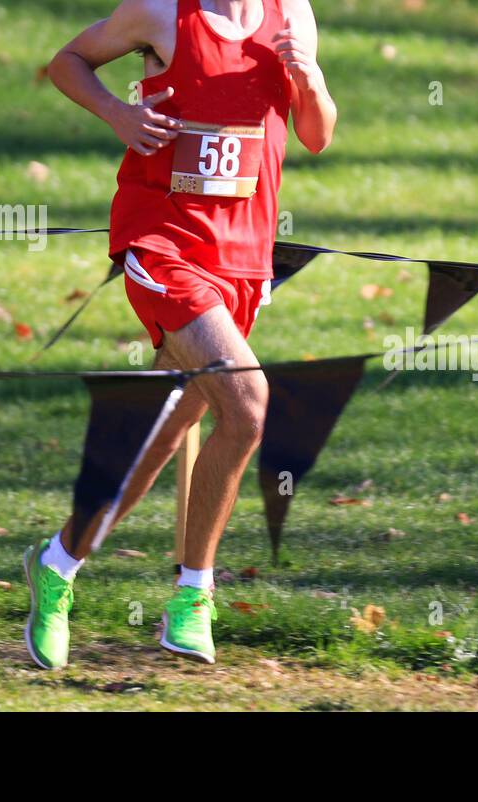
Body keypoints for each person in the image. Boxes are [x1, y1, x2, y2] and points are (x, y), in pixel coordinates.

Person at [23, 0, 336, 669]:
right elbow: (66, 61)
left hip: (245, 263)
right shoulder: (162, 12)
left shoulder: (291, 15)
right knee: (248, 405)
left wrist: (309, 83)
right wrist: (118, 113)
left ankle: (56, 565)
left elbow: (317, 134)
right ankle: (193, 595)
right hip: (163, 246)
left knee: (156, 438)